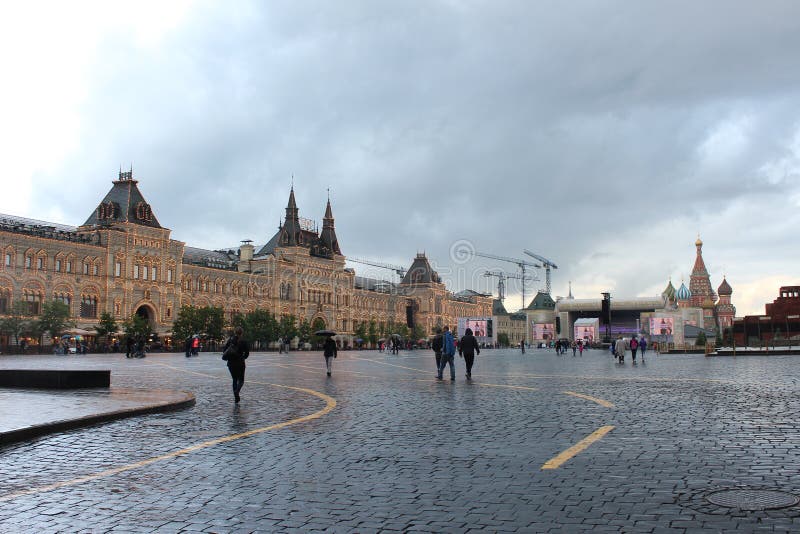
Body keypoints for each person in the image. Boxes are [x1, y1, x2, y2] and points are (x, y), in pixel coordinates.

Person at [222, 326, 250, 403]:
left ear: (235, 332)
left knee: (234, 379)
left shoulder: (230, 340)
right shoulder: (243, 341)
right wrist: (243, 357)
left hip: (230, 363)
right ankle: (237, 391)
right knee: (241, 380)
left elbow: (224, 350)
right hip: (240, 363)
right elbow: (247, 353)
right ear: (242, 333)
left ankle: (236, 397)